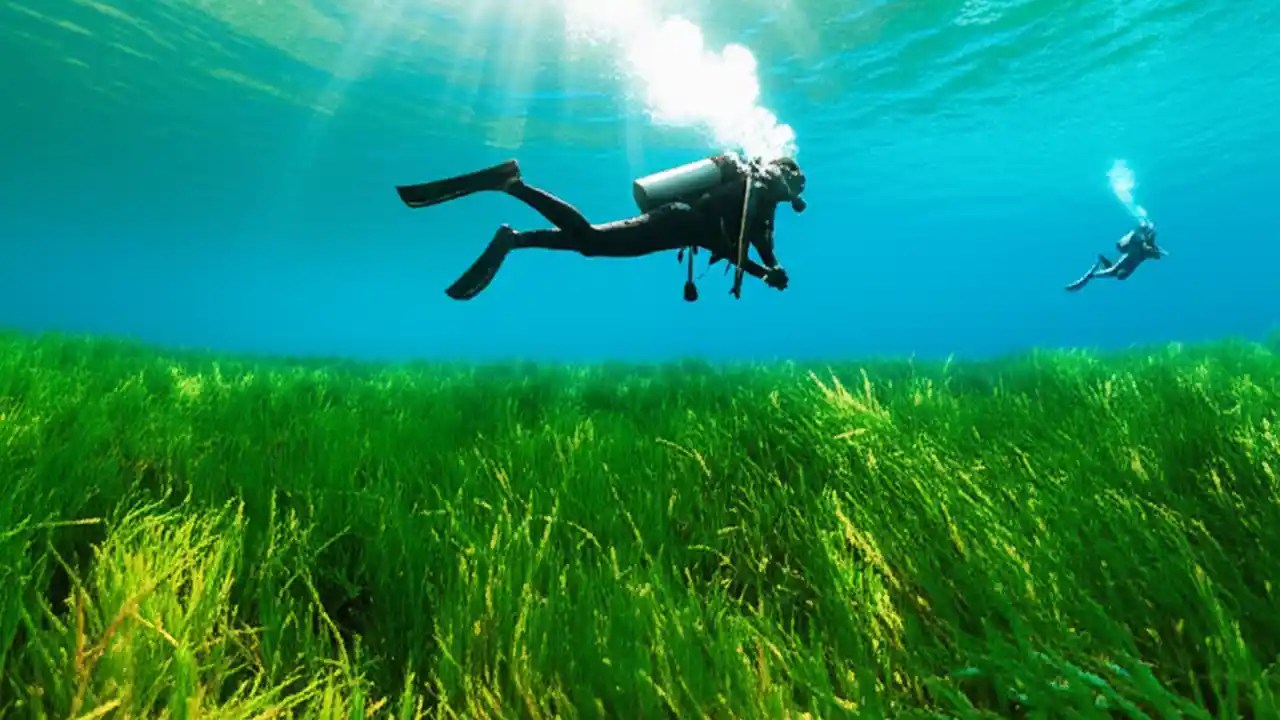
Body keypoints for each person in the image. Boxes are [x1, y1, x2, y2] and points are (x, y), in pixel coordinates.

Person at [394, 153, 807, 301]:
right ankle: (512, 185)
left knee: (590, 244)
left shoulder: (762, 202)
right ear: (783, 173)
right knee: (591, 239)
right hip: (676, 223)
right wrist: (763, 271)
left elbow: (761, 247)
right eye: (798, 180)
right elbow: (735, 247)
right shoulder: (761, 189)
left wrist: (771, 269)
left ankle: (516, 239)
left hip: (676, 226)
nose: (799, 189)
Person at [1065, 218, 1167, 292]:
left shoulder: (1140, 255)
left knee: (1113, 270)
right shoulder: (1141, 251)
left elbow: (1156, 252)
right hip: (1133, 248)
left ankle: (1103, 264)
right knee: (1113, 270)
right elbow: (1154, 250)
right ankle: (1099, 267)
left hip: (1133, 249)